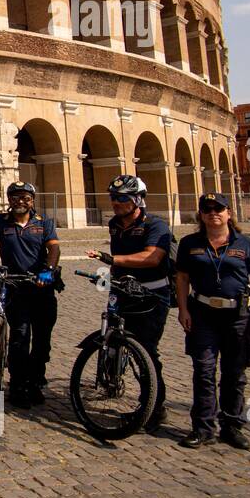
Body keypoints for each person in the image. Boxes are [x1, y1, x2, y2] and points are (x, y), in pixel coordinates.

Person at [175, 193, 250, 449]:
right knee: (204, 371)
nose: (213, 213)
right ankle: (203, 428)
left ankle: (232, 426)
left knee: (234, 374)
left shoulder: (247, 245)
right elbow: (183, 279)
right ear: (201, 215)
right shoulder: (189, 243)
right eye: (207, 209)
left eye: (218, 208)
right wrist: (183, 309)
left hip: (238, 316)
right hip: (202, 313)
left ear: (229, 213)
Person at [0, 181, 61, 407]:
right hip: (15, 287)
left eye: (25, 197)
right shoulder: (0, 222)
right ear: (9, 200)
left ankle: (35, 381)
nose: (20, 202)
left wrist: (49, 270)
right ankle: (17, 385)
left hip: (41, 286)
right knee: (20, 338)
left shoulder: (44, 223)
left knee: (42, 341)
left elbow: (54, 247)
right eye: (15, 197)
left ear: (32, 200)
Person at [87, 174, 172, 434]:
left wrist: (112, 260)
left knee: (146, 350)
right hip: (124, 290)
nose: (116, 202)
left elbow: (152, 258)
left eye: (122, 198)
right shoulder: (114, 224)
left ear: (137, 200)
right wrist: (110, 279)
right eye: (113, 198)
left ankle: (154, 406)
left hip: (152, 295)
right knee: (113, 338)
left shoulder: (156, 226)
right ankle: (111, 378)